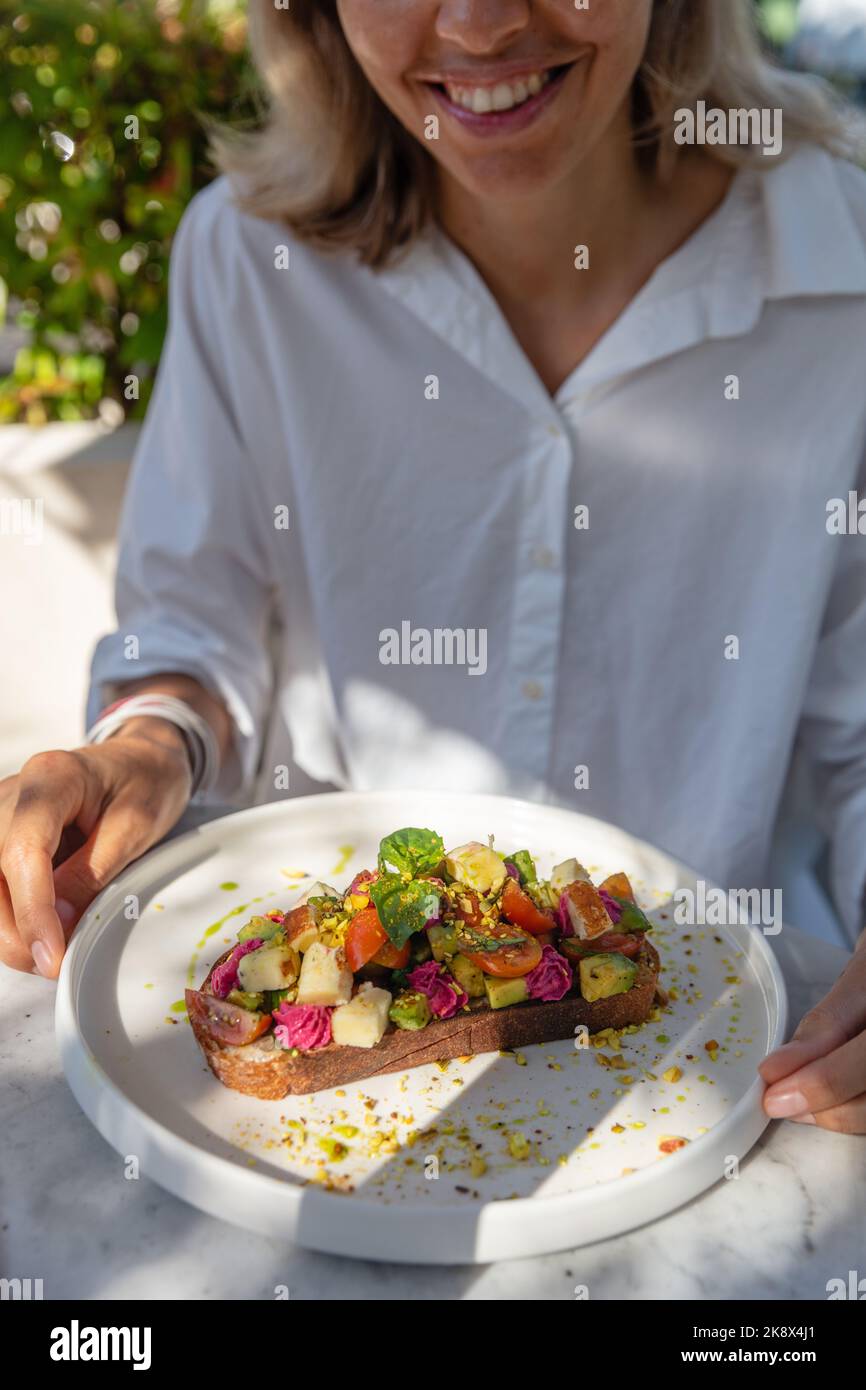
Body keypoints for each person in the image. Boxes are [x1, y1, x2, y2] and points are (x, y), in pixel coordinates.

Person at [1, 0, 865, 1133]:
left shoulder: (839, 262)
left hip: (723, 1072)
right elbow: (192, 633)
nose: (477, 23)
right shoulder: (245, 257)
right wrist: (147, 742)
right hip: (300, 1117)